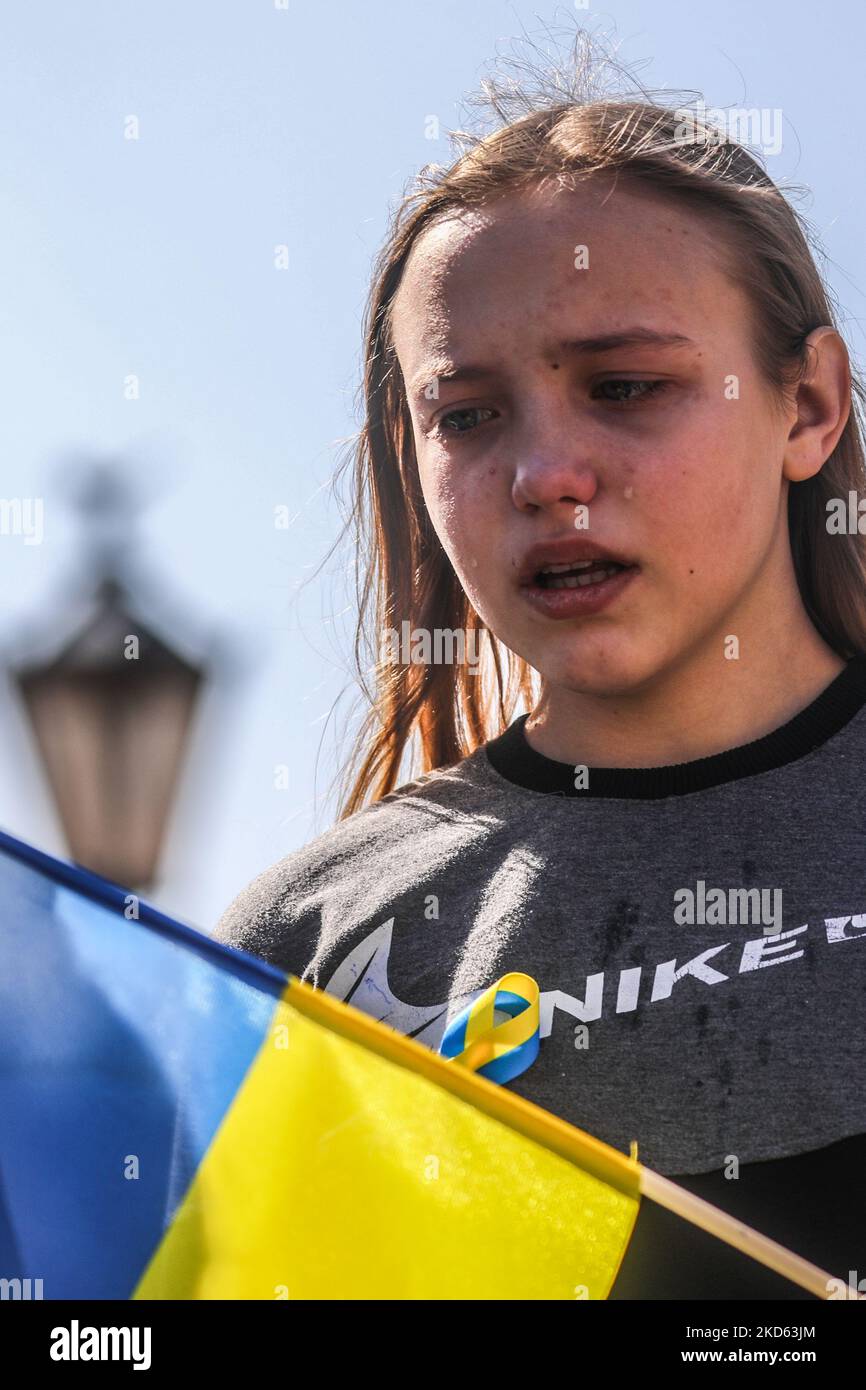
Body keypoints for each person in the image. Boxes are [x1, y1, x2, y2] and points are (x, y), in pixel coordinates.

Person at [215, 38, 866, 1299]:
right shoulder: (304, 952)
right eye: (465, 416)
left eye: (624, 386)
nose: (542, 476)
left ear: (806, 409)